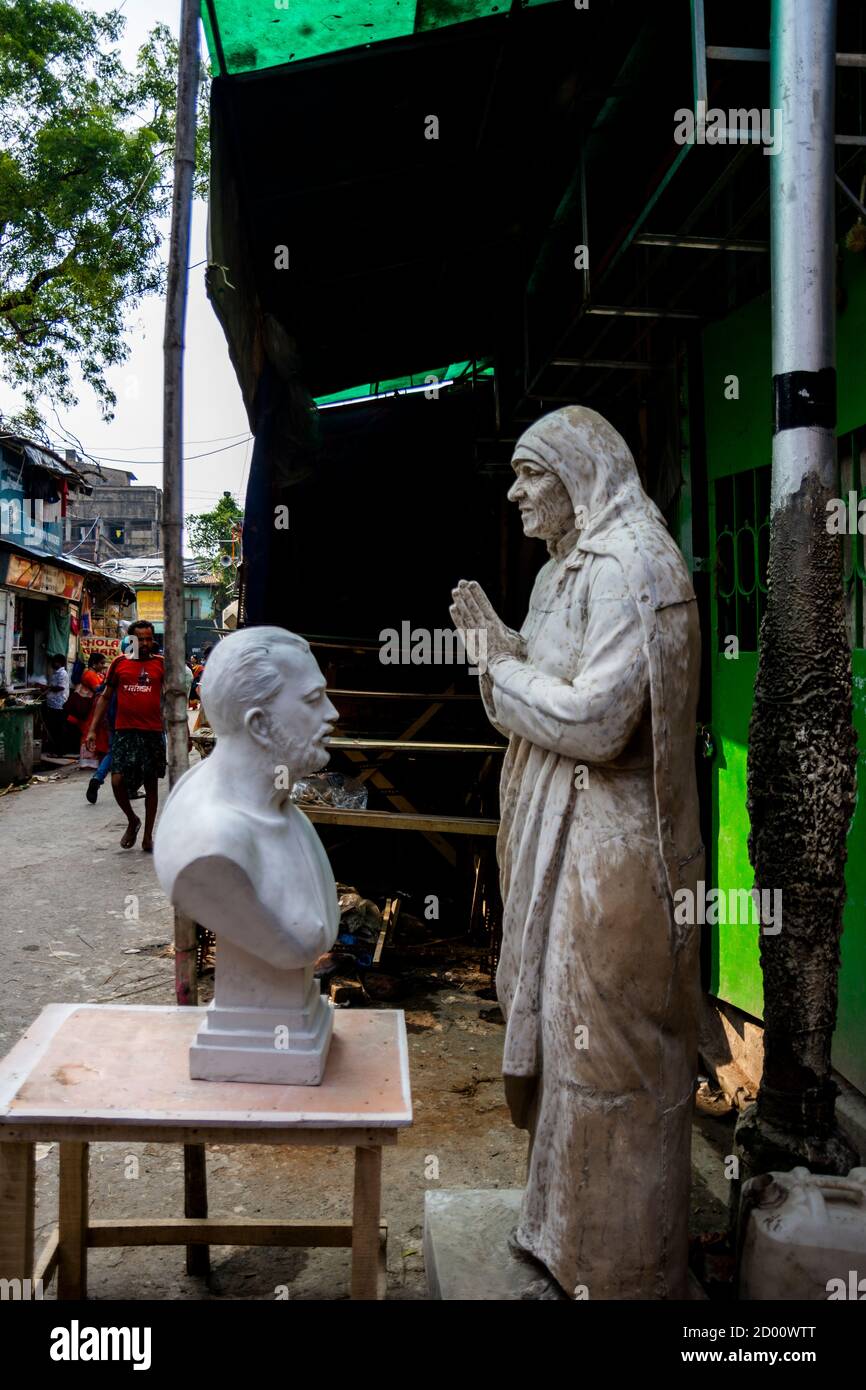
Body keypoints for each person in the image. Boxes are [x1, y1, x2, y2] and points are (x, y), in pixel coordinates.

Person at [449, 405, 703, 1300]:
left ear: (579, 474)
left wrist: (504, 671)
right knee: (565, 1044)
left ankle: (621, 1267)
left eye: (530, 474)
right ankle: (562, 1233)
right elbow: (545, 690)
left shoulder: (639, 567)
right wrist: (501, 651)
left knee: (609, 1058)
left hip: (613, 858)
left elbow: (597, 720)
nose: (516, 493)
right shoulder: (564, 574)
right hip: (561, 837)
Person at [86, 620, 166, 851]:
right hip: (124, 731)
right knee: (117, 780)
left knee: (151, 783)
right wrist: (92, 728)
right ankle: (132, 819)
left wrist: (185, 731)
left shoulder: (161, 664)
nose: (145, 643)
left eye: (149, 638)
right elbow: (105, 697)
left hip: (152, 732)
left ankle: (148, 835)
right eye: (140, 638)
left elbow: (173, 699)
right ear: (131, 640)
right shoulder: (119, 663)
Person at [43, 654, 70, 753]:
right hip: (53, 703)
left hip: (59, 705)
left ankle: (60, 751)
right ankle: (55, 749)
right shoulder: (55, 673)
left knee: (58, 729)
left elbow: (60, 687)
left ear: (60, 663)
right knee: (54, 728)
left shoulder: (62, 673)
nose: (53, 664)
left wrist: (48, 688)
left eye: (55, 662)